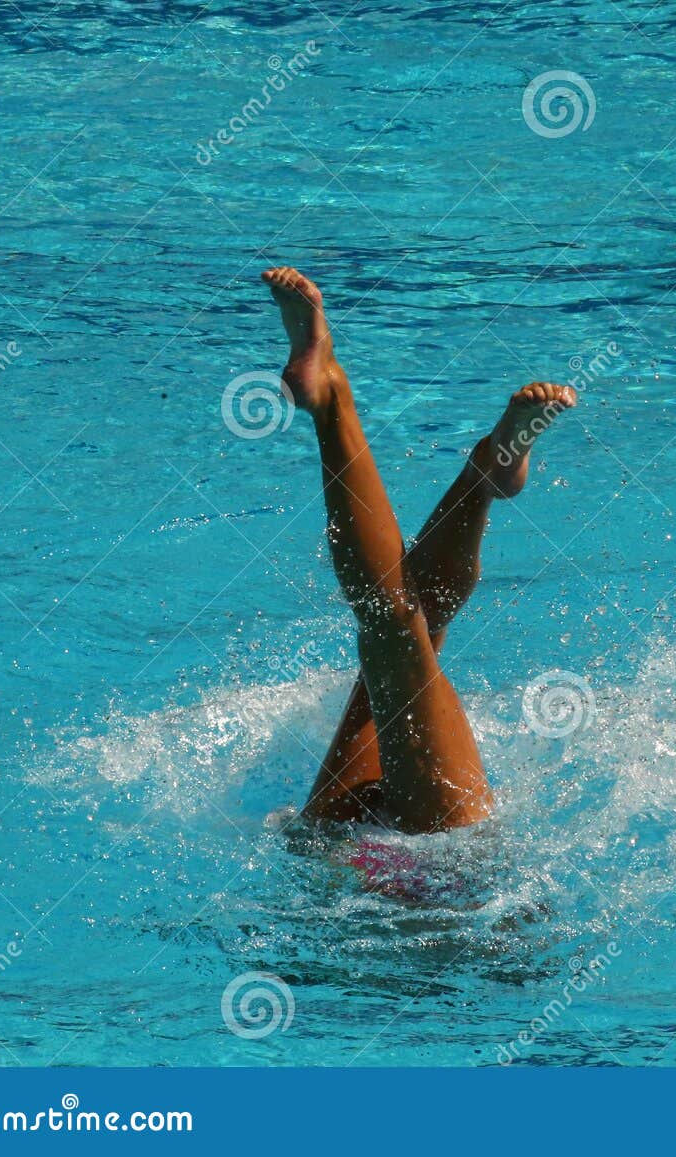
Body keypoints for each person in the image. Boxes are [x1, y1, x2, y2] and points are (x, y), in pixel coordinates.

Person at [259, 266, 576, 832]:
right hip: (443, 857)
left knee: (399, 636)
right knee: (401, 634)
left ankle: (347, 404)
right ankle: (472, 473)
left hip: (333, 844)